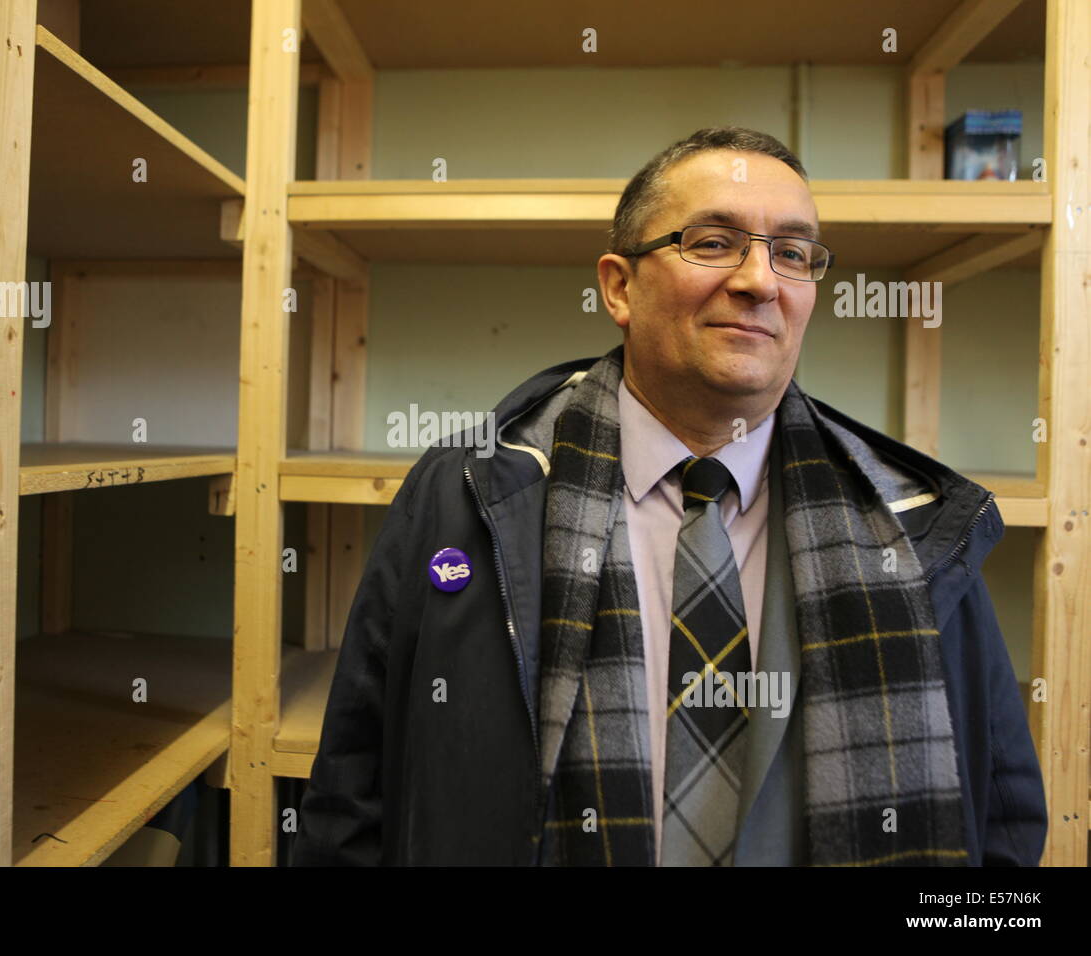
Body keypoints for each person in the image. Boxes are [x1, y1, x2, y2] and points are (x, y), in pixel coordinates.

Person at [291, 127, 1047, 866]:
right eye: (713, 243)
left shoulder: (910, 521)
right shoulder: (465, 492)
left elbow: (1002, 818)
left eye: (792, 253)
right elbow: (353, 794)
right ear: (620, 287)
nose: (759, 282)